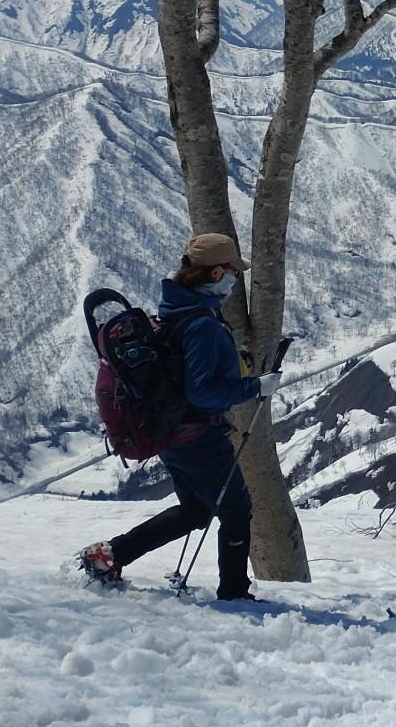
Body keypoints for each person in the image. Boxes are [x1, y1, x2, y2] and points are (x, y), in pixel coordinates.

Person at [76, 233, 280, 602]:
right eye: (234, 272)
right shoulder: (201, 323)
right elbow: (201, 391)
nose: (236, 280)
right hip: (198, 436)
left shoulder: (177, 308)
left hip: (172, 433)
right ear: (217, 272)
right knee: (236, 510)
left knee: (197, 510)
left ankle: (109, 555)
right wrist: (254, 388)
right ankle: (234, 594)